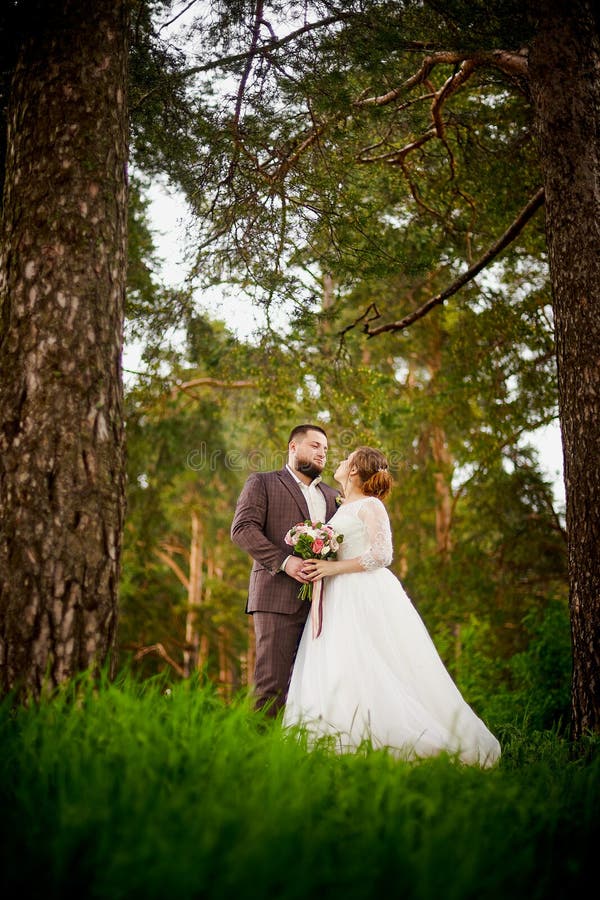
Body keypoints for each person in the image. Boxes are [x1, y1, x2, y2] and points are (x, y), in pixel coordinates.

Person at [283, 446, 501, 767]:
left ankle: (387, 737)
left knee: (371, 661)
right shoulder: (343, 507)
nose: (340, 462)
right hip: (337, 595)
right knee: (341, 664)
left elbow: (382, 555)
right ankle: (340, 738)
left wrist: (332, 568)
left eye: (347, 459)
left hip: (362, 593)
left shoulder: (371, 506)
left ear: (355, 470)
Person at [231, 424, 340, 716]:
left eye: (326, 450)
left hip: (325, 603)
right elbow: (242, 529)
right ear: (293, 447)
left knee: (316, 685)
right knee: (272, 685)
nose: (322, 454)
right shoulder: (263, 482)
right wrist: (285, 561)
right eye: (315, 446)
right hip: (276, 597)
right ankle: (259, 756)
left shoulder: (333, 496)